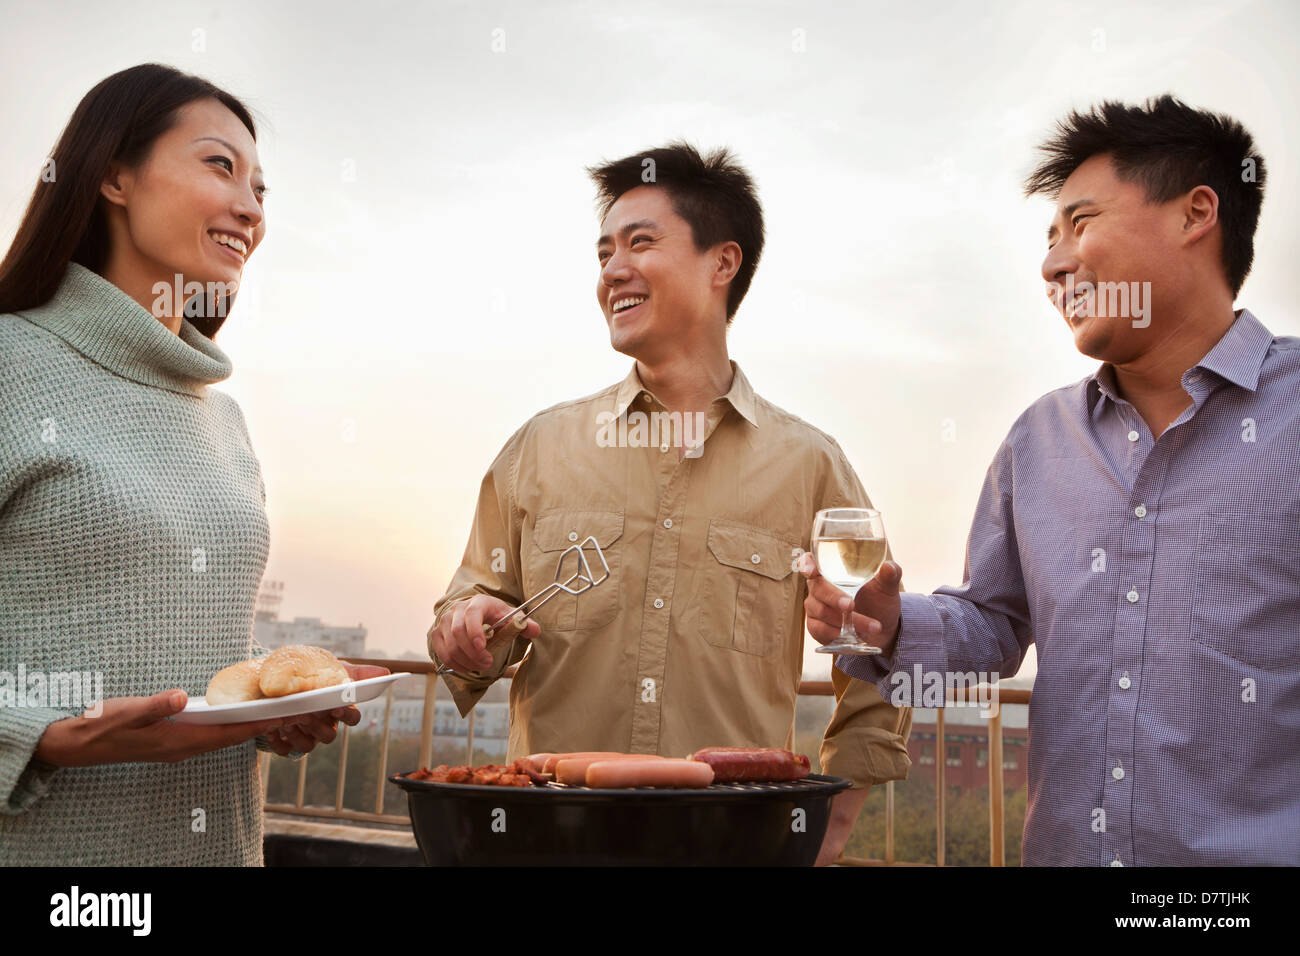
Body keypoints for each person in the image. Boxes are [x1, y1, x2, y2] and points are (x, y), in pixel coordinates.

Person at [803, 95, 1299, 865]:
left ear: (1196, 212)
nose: (1053, 264)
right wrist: (892, 624)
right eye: (1049, 239)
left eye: (1081, 223)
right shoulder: (1040, 440)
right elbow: (993, 627)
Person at [428, 142, 911, 864]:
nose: (612, 270)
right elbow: (460, 637)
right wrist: (466, 631)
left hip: (731, 846)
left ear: (723, 263)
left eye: (640, 243)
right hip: (547, 844)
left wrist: (832, 820)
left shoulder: (811, 466)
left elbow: (879, 651)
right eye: (603, 253)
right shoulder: (539, 447)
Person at [0, 63, 384, 866]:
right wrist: (40, 736)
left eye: (262, 189)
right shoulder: (11, 365)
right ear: (113, 174)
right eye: (220, 166)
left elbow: (201, 667)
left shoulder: (224, 417)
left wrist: (271, 715)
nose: (250, 208)